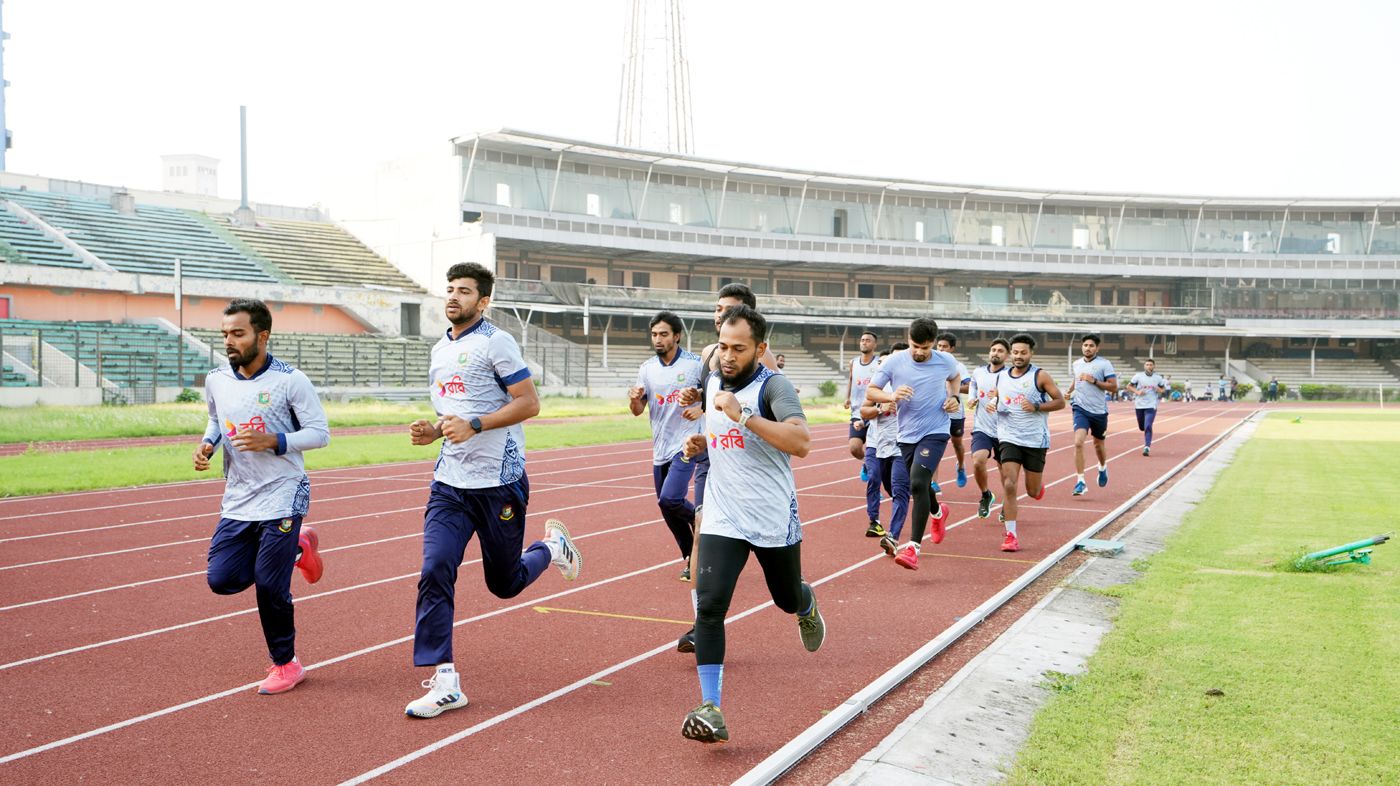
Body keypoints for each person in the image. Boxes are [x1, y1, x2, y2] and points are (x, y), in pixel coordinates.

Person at [404, 262, 581, 719]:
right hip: (450, 484)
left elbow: (529, 402)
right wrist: (435, 432)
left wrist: (477, 423)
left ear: (482, 301)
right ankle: (444, 681)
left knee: (504, 584)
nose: (453, 296)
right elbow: (453, 414)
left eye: (464, 291)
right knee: (434, 567)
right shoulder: (440, 349)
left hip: (498, 483)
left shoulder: (497, 341)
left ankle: (550, 547)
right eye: (450, 289)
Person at [679, 304, 824, 744]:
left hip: (772, 515)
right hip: (723, 513)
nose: (726, 355)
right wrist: (702, 443)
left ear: (760, 349)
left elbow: (800, 443)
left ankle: (804, 602)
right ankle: (711, 707)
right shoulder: (712, 379)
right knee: (710, 606)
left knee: (783, 596)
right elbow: (726, 438)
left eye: (738, 348)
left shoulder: (773, 386)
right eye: (722, 345)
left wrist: (743, 415)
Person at [194, 298, 329, 695]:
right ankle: (299, 547)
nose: (229, 341)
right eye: (225, 334)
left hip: (284, 490)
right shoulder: (217, 379)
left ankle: (286, 664)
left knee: (270, 585)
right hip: (239, 495)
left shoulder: (290, 380)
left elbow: (320, 433)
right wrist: (207, 444)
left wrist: (274, 440)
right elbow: (217, 420)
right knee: (222, 580)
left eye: (238, 333)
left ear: (262, 335)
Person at [674, 282, 779, 654]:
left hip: (752, 466)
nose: (720, 315)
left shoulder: (764, 363)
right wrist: (694, 398)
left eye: (729, 310)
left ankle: (794, 597)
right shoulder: (707, 353)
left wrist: (744, 417)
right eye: (718, 308)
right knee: (700, 529)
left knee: (777, 573)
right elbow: (706, 397)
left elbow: (772, 410)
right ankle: (699, 624)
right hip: (713, 456)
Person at [864, 317, 962, 571]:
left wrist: (954, 397)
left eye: (925, 348)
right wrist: (891, 395)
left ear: (933, 345)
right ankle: (938, 513)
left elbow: (955, 378)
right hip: (906, 434)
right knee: (921, 483)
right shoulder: (894, 361)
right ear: (909, 339)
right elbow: (871, 392)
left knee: (916, 483)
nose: (919, 352)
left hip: (936, 430)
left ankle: (912, 548)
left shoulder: (945, 361)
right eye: (915, 346)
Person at [628, 311, 705, 578]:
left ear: (676, 336)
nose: (658, 339)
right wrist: (635, 399)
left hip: (686, 444)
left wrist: (701, 404)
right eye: (654, 335)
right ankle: (690, 555)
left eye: (663, 334)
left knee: (670, 498)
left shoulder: (695, 365)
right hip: (660, 446)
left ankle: (704, 522)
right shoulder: (647, 368)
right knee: (664, 504)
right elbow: (638, 410)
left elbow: (716, 395)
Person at [987, 333, 1065, 552]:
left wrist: (1037, 406)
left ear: (1031, 353)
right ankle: (1011, 535)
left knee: (1031, 491)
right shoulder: (1002, 376)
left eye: (1023, 352)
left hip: (1034, 440)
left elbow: (1060, 402)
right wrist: (994, 403)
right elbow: (998, 395)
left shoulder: (1040, 376)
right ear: (1010, 353)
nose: (1018, 356)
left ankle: (1037, 488)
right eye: (1015, 352)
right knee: (1009, 483)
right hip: (1008, 436)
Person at [858, 344, 910, 551]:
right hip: (881, 446)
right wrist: (881, 407)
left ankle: (892, 537)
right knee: (886, 485)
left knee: (899, 490)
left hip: (904, 446)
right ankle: (933, 506)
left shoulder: (914, 384)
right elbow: (864, 410)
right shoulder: (878, 387)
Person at [966, 338, 1009, 519]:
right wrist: (972, 398)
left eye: (1000, 350)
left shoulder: (1010, 375)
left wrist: (998, 401)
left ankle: (1008, 503)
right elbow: (973, 385)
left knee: (1005, 471)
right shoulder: (978, 372)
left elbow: (1012, 400)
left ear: (1007, 355)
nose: (995, 353)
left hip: (1005, 429)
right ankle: (986, 495)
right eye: (993, 350)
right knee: (978, 460)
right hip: (982, 427)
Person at [1069, 334, 1117, 496]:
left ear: (1097, 348)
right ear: (1081, 347)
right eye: (1085, 345)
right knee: (1078, 442)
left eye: (1091, 346)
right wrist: (1069, 391)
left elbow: (1113, 387)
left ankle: (1102, 467)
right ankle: (1080, 481)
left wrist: (1094, 381)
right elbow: (1076, 380)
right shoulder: (1076, 364)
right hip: (1080, 408)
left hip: (1099, 411)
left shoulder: (1104, 364)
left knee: (1098, 445)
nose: (1087, 348)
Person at [935, 332, 972, 490]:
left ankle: (961, 466)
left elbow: (969, 387)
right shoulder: (931, 365)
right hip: (936, 411)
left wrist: (952, 388)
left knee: (957, 444)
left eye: (945, 346)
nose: (941, 349)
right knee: (934, 444)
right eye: (939, 346)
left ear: (952, 349)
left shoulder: (958, 366)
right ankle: (933, 481)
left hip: (955, 412)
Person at [844, 331, 879, 467]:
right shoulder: (853, 362)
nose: (864, 342)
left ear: (874, 344)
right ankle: (867, 464)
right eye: (862, 340)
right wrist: (847, 398)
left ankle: (875, 466)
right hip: (857, 412)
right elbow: (851, 379)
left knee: (875, 448)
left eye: (868, 340)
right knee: (854, 448)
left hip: (875, 412)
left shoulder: (879, 362)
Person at [1128, 359, 1168, 456]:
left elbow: (1163, 389)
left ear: (1154, 366)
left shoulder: (1158, 378)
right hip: (1139, 405)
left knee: (1148, 425)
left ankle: (1147, 446)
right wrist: (1137, 392)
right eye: (1147, 364)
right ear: (1144, 366)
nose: (1149, 366)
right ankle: (1144, 429)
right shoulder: (1138, 376)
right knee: (1142, 427)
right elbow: (1129, 386)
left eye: (1151, 365)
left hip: (1151, 405)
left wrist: (1159, 389)